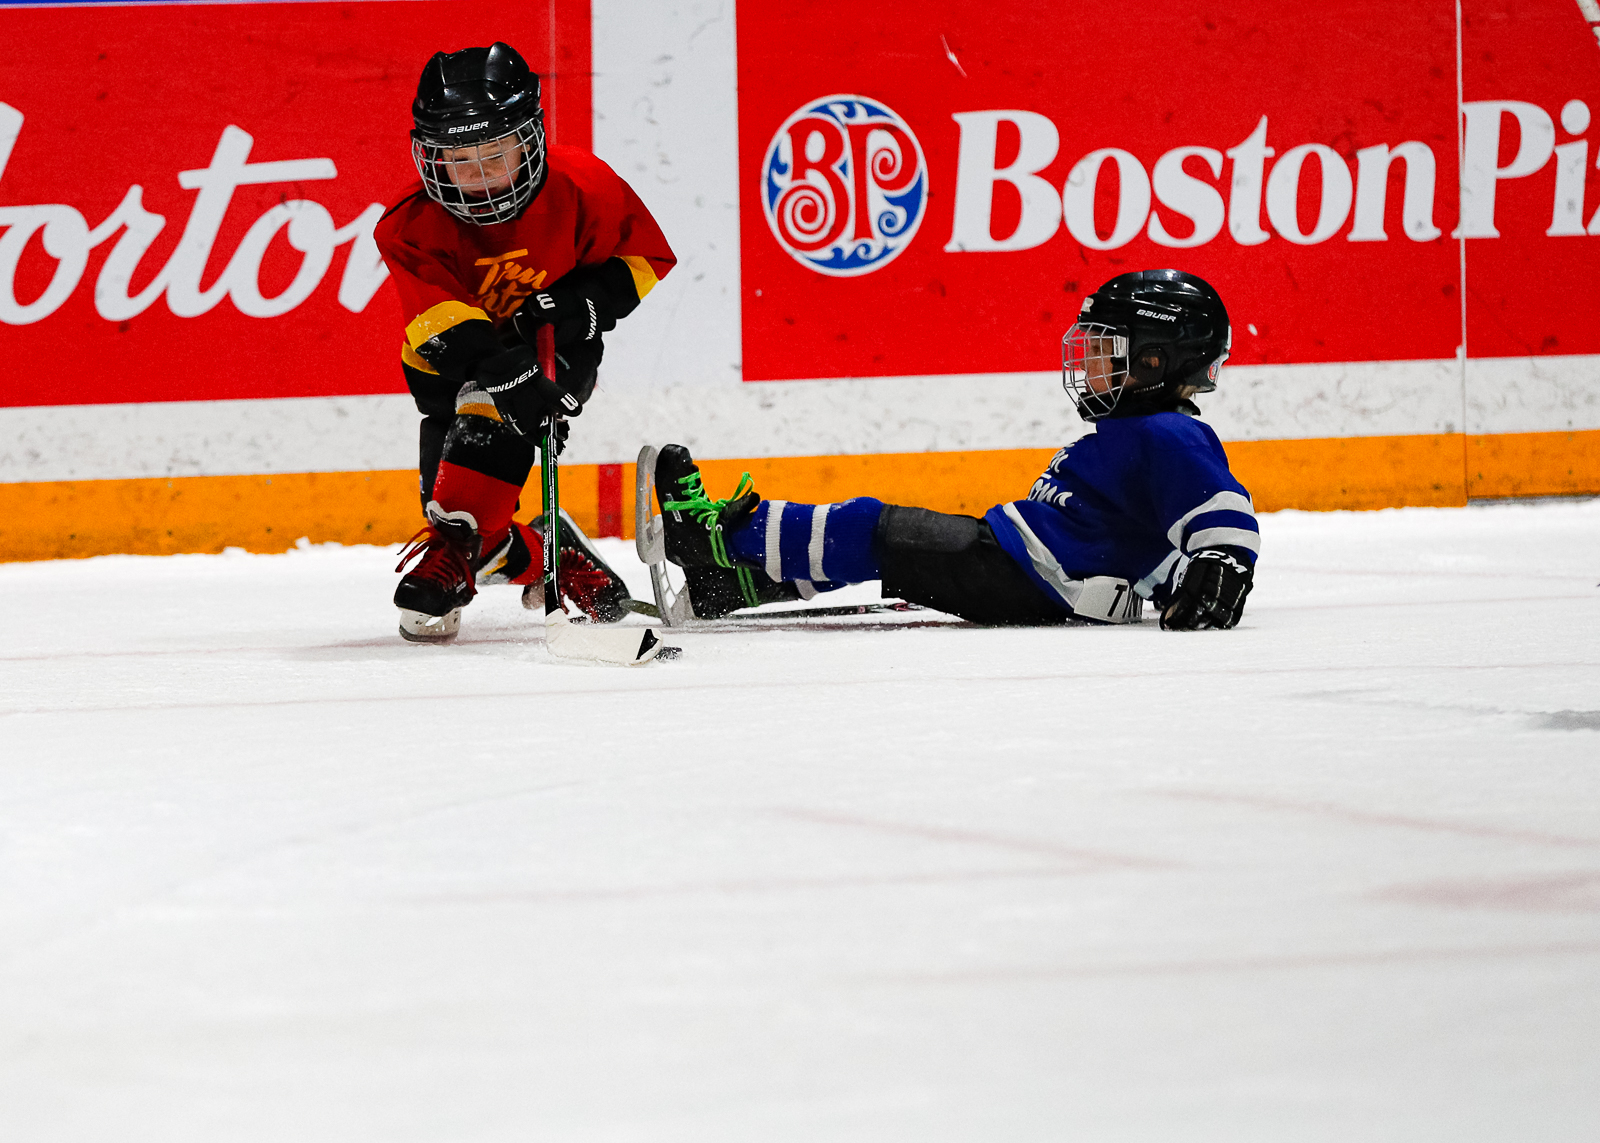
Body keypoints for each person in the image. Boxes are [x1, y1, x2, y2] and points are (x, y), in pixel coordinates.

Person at [653, 269, 1258, 631]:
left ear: (1155, 362)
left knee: (871, 529)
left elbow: (1223, 513)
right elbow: (1143, 542)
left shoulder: (1171, 434)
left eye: (1109, 353)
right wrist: (1177, 578)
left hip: (1033, 578)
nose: (1091, 365)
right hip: (1027, 570)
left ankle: (713, 539)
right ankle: (735, 583)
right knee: (881, 552)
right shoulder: (1133, 433)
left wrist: (1222, 569)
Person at [374, 42, 676, 642]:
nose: (478, 175)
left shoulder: (583, 183)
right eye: (459, 158)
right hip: (451, 366)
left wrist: (585, 305)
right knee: (462, 529)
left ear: (528, 141)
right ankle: (552, 558)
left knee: (463, 518)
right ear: (430, 156)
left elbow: (643, 257)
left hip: (558, 343)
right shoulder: (409, 224)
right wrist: (505, 375)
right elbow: (442, 329)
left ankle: (465, 544)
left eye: (494, 154)